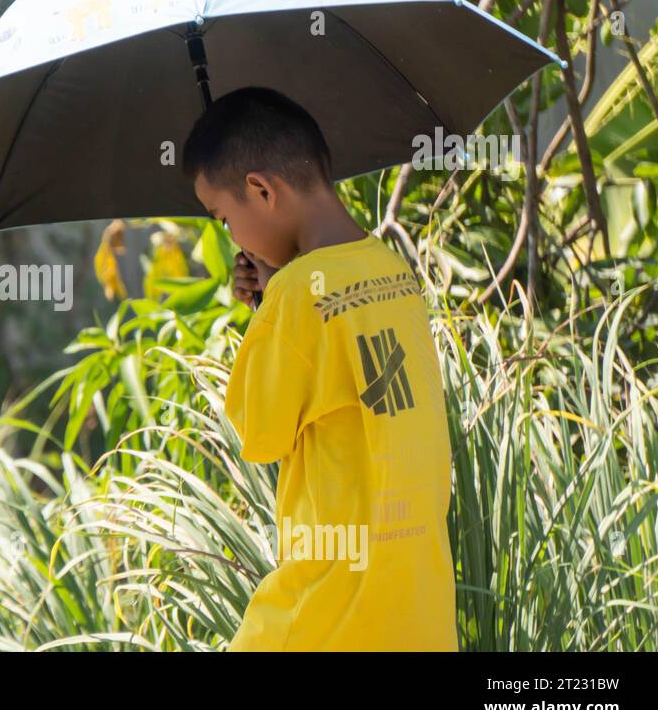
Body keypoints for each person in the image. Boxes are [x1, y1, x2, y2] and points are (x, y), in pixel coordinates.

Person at [183, 86, 458, 651]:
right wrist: (272, 295)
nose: (232, 237)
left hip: (325, 616)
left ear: (260, 189)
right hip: (416, 615)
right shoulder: (392, 272)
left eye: (224, 217)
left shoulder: (294, 300)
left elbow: (260, 435)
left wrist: (268, 310)